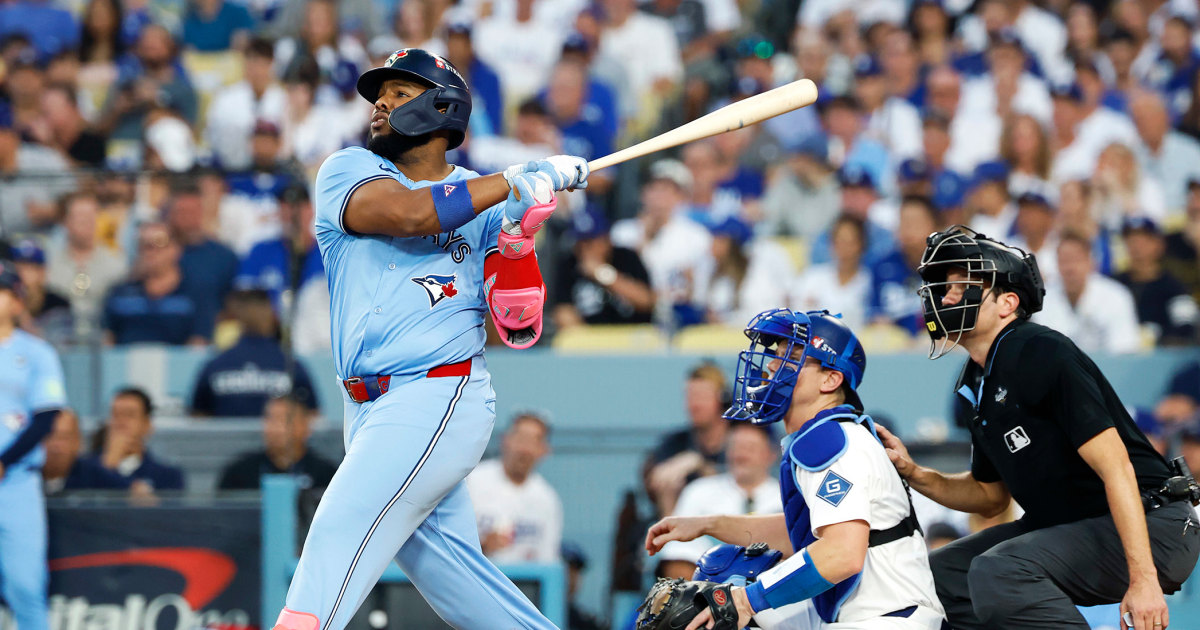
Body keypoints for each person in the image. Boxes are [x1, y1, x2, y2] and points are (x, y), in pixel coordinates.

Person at [269, 49, 587, 630]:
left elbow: (517, 326)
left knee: (337, 536)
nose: (381, 105)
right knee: (456, 578)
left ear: (443, 108)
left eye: (399, 93)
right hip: (364, 406)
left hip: (438, 395)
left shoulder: (487, 199)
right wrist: (512, 182)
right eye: (379, 95)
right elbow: (414, 214)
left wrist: (518, 239)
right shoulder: (347, 170)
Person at [882, 225, 1200, 629]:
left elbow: (1116, 466)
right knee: (942, 577)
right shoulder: (974, 381)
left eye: (962, 286)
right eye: (945, 287)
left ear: (1007, 303)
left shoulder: (1039, 350)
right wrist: (915, 473)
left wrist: (1144, 581)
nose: (946, 297)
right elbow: (990, 497)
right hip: (1077, 525)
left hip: (1154, 527)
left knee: (998, 571)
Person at [644, 309, 943, 629]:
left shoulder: (830, 440)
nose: (773, 364)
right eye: (777, 354)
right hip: (875, 614)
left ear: (831, 379)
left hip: (891, 619)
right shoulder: (827, 433)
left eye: (793, 356)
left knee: (726, 608)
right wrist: (708, 524)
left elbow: (842, 553)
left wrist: (748, 599)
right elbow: (800, 533)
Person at [0, 261, 66, 630]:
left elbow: (46, 415)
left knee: (26, 586)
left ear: (16, 301)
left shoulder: (37, 352)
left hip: (15, 481)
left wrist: (4, 461)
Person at [655, 422, 782, 580]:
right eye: (735, 447)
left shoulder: (785, 498)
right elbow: (677, 555)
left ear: (771, 454)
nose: (741, 455)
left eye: (750, 448)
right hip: (708, 592)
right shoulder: (699, 492)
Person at [190, 289, 319, 418]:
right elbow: (313, 418)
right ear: (273, 316)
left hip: (226, 438)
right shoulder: (292, 367)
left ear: (237, 317)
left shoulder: (215, 366)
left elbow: (198, 423)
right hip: (276, 438)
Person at [465, 412, 562, 564]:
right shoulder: (471, 482)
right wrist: (482, 546)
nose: (525, 449)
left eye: (534, 441)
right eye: (520, 438)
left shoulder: (546, 499)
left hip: (520, 586)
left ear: (544, 450)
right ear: (505, 440)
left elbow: (547, 560)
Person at [1034, 230, 1143, 354]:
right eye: (1064, 261)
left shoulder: (1116, 296)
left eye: (1076, 260)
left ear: (1091, 262)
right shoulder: (1043, 299)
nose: (1070, 268)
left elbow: (1124, 350)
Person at [644, 362, 730, 517]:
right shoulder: (675, 442)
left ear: (722, 399)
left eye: (702, 397)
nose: (694, 405)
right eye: (690, 396)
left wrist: (699, 465)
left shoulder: (741, 439)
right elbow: (654, 479)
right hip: (685, 525)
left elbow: (742, 485)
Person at [552, 205, 654, 329]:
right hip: (590, 341)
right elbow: (563, 312)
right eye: (580, 242)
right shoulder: (569, 264)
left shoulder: (626, 257)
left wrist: (602, 273)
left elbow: (647, 301)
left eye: (590, 241)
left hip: (632, 337)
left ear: (606, 239)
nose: (584, 248)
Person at [218, 395, 337, 490]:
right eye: (270, 419)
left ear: (306, 426)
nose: (275, 428)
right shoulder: (239, 473)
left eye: (284, 420)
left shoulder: (327, 476)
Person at [78, 387, 185, 491]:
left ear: (147, 425)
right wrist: (107, 466)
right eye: (115, 415)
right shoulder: (83, 468)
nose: (121, 422)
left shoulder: (168, 476)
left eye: (130, 415)